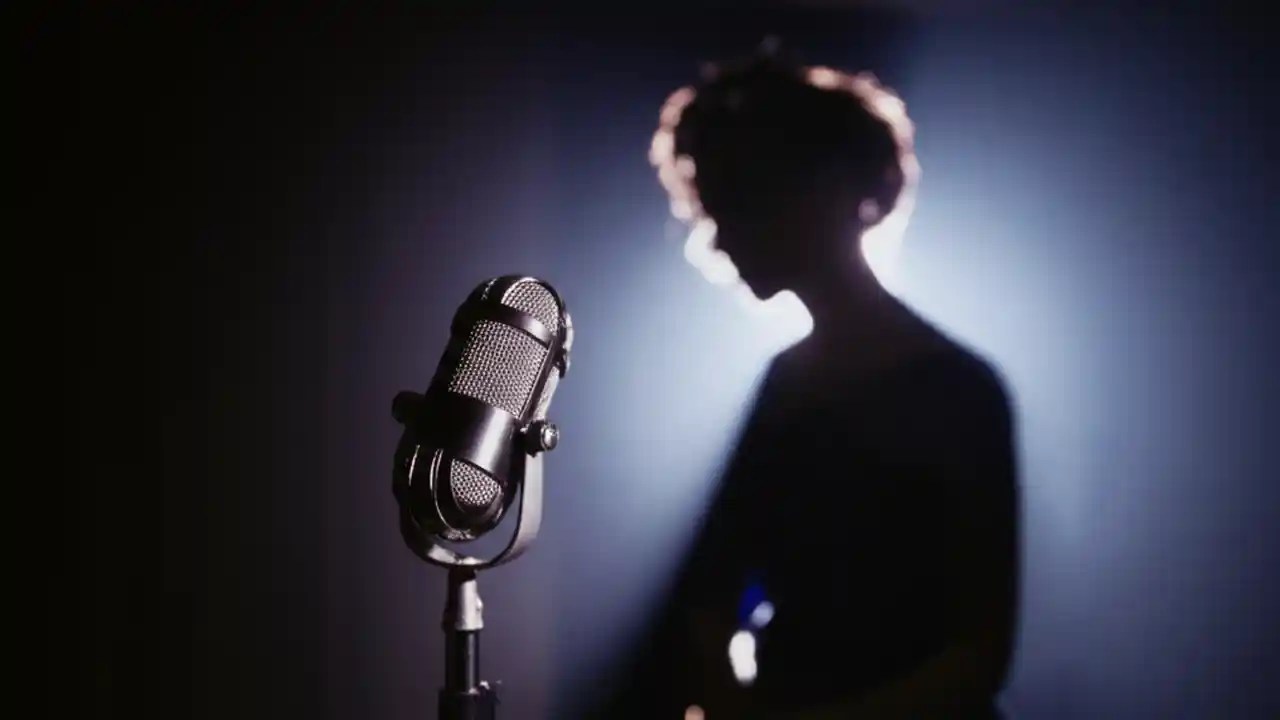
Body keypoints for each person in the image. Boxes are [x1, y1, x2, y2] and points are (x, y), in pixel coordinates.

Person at [589, 46, 1020, 719]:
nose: (719, 238)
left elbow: (977, 657)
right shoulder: (791, 381)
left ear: (816, 192)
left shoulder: (956, 392)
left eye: (736, 203)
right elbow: (712, 588)